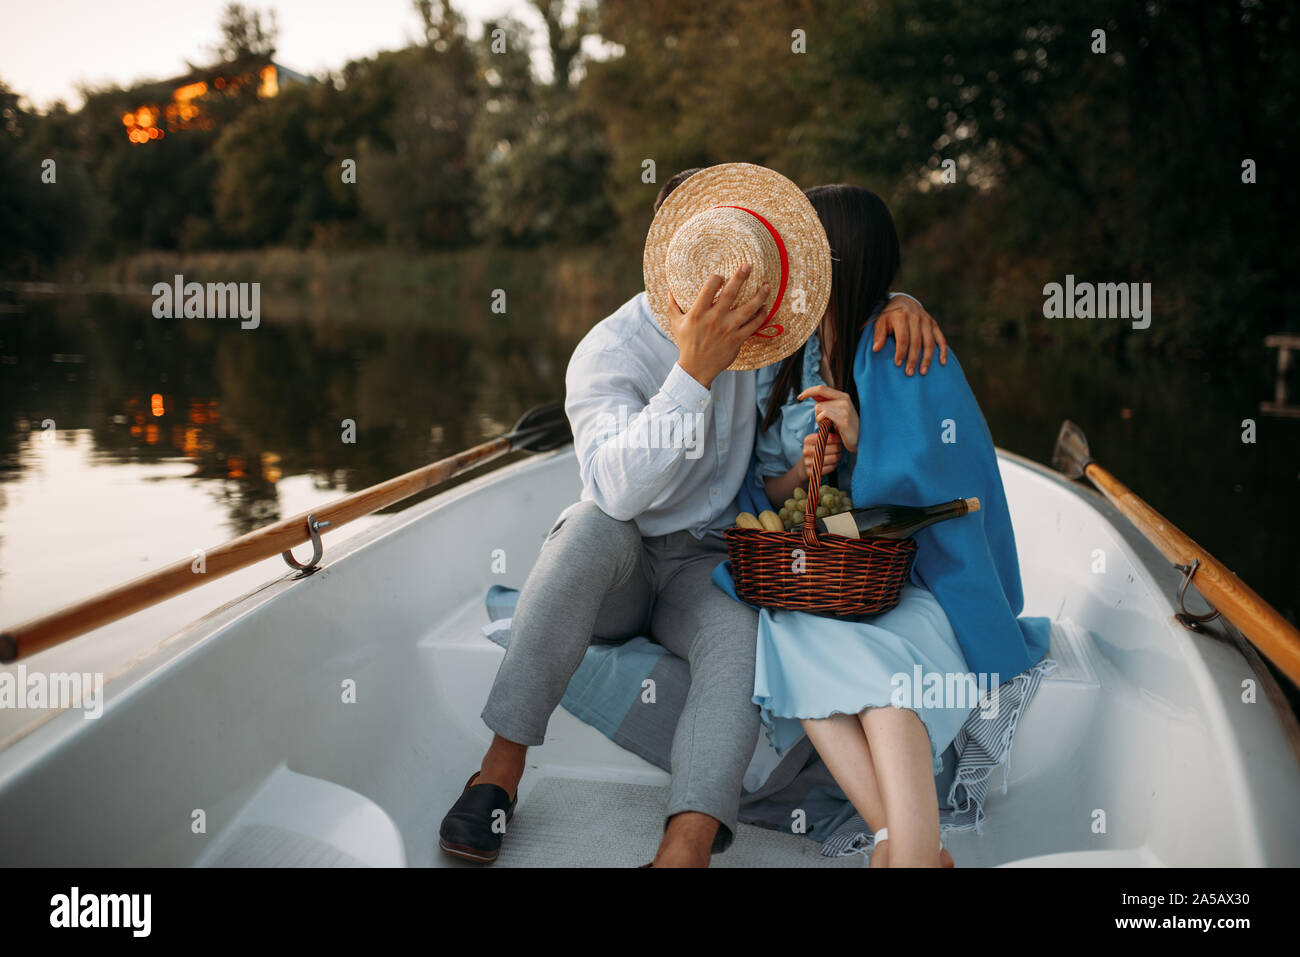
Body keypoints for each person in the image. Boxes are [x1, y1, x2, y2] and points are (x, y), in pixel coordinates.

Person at [438, 165, 946, 868]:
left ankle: (688, 844)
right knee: (585, 527)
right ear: (666, 258)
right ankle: (498, 773)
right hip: (619, 562)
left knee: (742, 633)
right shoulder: (609, 350)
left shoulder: (762, 336)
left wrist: (900, 300)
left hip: (705, 562)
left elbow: (837, 287)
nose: (733, 283)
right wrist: (694, 373)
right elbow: (615, 494)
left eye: (743, 258)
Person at [719, 184, 1050, 867]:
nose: (788, 263)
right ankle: (905, 844)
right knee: (787, 640)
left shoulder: (903, 344)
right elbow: (765, 489)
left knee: (884, 672)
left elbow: (946, 486)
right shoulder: (786, 349)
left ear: (838, 261)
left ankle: (906, 849)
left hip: (916, 574)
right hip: (828, 574)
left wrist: (863, 440)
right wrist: (807, 469)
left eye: (804, 250)